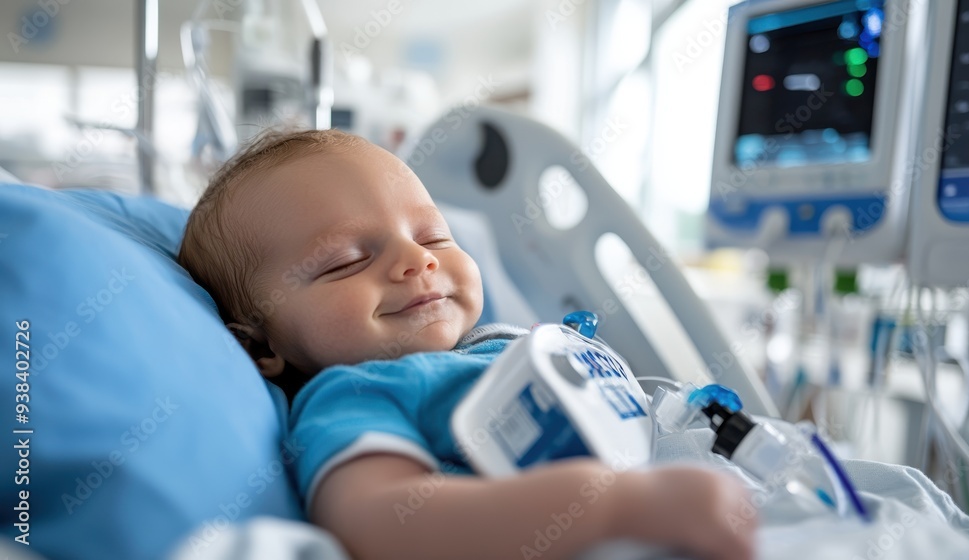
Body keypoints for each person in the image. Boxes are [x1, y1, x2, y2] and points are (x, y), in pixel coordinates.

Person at [178, 128, 757, 560]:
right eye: (345, 261)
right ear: (262, 347)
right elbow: (376, 521)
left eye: (433, 235)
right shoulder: (359, 394)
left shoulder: (502, 346)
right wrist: (609, 505)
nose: (418, 260)